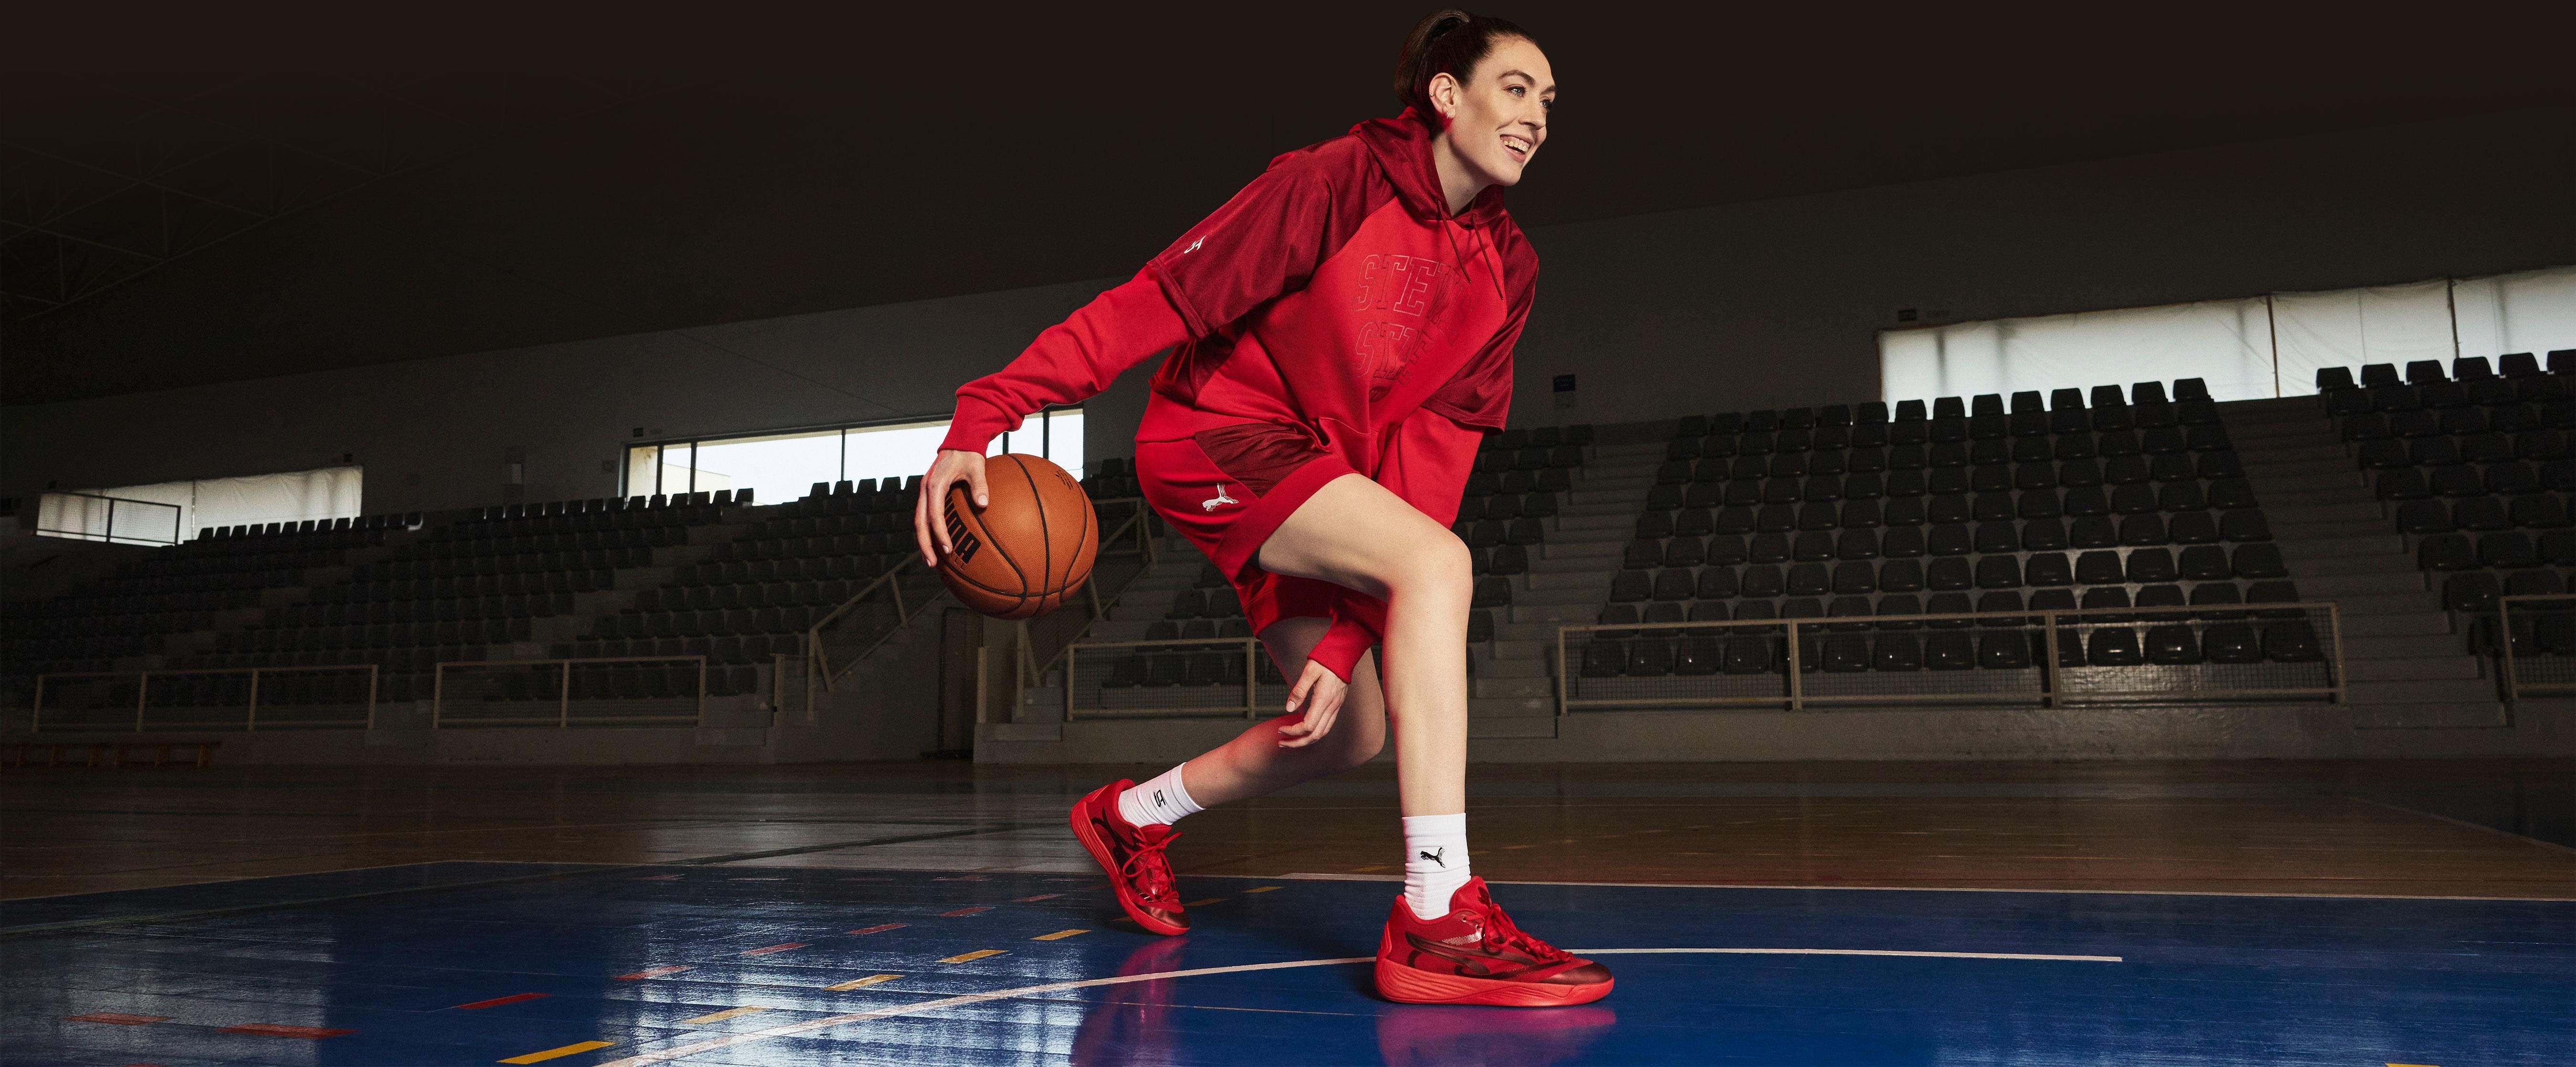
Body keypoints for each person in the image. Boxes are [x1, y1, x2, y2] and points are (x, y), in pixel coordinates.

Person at [914, 10, 1608, 1007]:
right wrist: (984, 416)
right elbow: (1153, 302)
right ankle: (1437, 913)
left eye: (1549, 100)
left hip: (1321, 482)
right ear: (1445, 97)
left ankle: (1135, 815)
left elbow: (1431, 465)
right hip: (1213, 437)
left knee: (1348, 730)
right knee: (1440, 565)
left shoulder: (1509, 272)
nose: (1538, 115)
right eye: (1516, 88)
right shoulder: (1332, 180)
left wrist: (1344, 645)